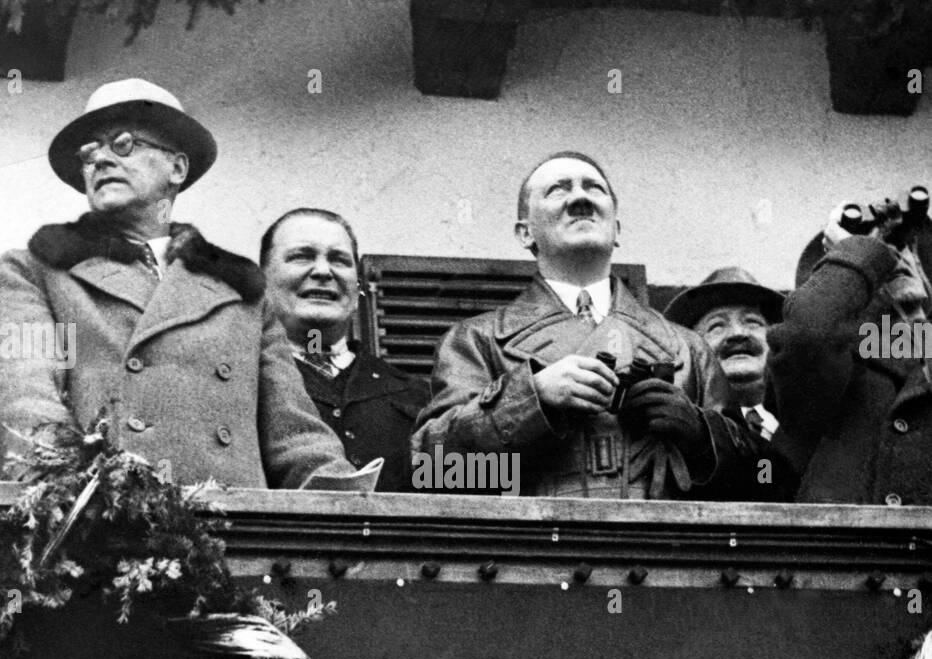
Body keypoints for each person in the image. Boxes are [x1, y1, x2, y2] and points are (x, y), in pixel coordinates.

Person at [0, 79, 379, 490]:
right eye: (90, 153)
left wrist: (341, 493)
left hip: (237, 534)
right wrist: (67, 495)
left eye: (123, 144)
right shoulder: (35, 272)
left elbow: (295, 432)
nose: (102, 159)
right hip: (103, 523)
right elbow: (28, 402)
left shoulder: (242, 293)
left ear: (177, 168)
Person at [412, 151, 754, 498]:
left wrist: (700, 435)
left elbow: (762, 480)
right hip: (536, 548)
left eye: (594, 188)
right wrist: (533, 399)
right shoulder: (476, 341)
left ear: (616, 228)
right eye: (558, 190)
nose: (580, 198)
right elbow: (431, 472)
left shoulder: (688, 348)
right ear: (525, 234)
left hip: (662, 549)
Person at [768, 200, 932, 505]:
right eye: (884, 256)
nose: (898, 260)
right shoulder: (835, 376)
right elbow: (809, 333)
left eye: (908, 251)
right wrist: (858, 254)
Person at [261, 208, 428, 492]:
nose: (324, 271)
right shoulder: (241, 386)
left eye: (339, 260)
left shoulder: (418, 396)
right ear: (261, 279)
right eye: (302, 256)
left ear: (358, 286)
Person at [664, 267, 785, 441]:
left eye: (753, 322)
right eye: (717, 326)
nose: (737, 333)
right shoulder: (681, 436)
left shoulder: (810, 427)